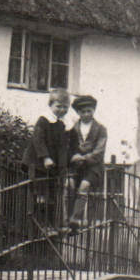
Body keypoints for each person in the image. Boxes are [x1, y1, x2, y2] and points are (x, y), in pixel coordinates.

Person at [21, 89, 71, 229]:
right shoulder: (44, 120)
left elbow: (62, 147)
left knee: (53, 195)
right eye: (58, 106)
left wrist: (63, 167)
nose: (62, 110)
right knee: (40, 194)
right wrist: (45, 157)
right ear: (51, 105)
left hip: (51, 166)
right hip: (37, 163)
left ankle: (51, 224)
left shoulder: (62, 124)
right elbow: (38, 140)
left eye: (65, 107)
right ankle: (38, 224)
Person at [66, 94, 108, 227]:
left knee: (84, 187)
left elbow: (99, 151)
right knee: (69, 185)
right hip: (75, 165)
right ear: (78, 112)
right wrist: (73, 156)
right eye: (83, 111)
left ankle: (75, 219)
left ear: (93, 110)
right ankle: (66, 218)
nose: (86, 114)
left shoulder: (100, 129)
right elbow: (70, 146)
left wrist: (83, 158)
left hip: (92, 166)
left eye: (89, 111)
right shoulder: (73, 128)